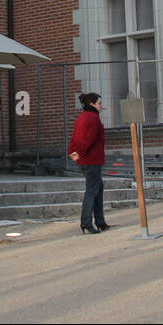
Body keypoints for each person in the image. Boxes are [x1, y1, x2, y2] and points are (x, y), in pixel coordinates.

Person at [67, 92, 112, 234]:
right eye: (99, 103)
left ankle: (100, 222)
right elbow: (89, 140)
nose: (101, 106)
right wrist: (79, 153)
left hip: (86, 159)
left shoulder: (81, 118)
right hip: (91, 159)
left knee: (97, 189)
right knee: (92, 190)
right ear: (92, 104)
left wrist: (74, 154)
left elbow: (75, 139)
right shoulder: (93, 118)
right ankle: (86, 222)